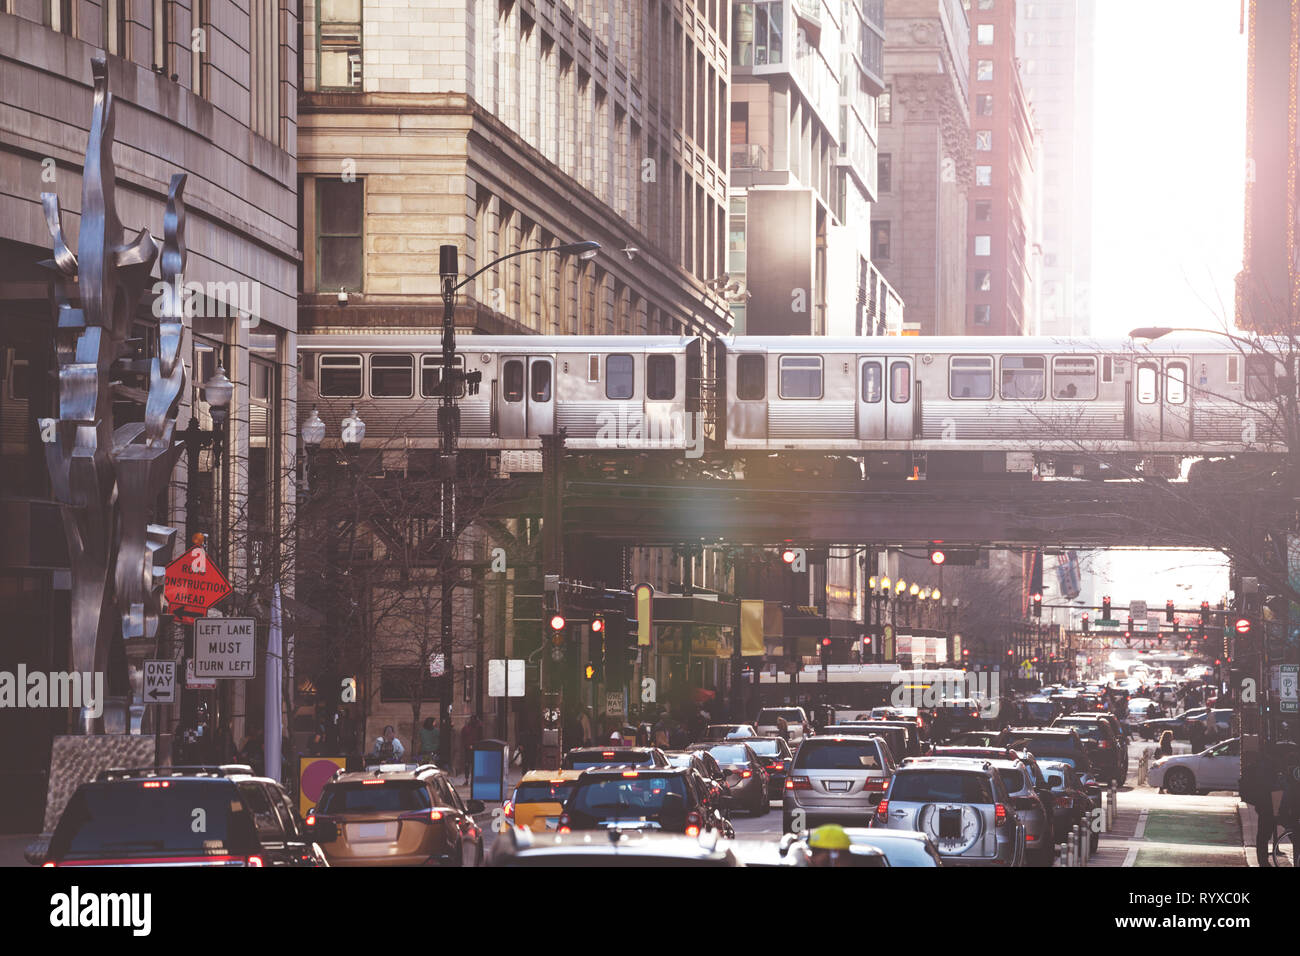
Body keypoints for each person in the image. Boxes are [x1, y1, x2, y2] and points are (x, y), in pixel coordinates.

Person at [1240, 744, 1298, 866]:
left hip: (1265, 805)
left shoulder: (1265, 764)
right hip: (1273, 804)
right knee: (1290, 829)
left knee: (1264, 835)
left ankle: (1263, 861)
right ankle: (1264, 861)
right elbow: (1277, 787)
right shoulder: (1274, 766)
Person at [461, 714, 483, 784]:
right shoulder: (478, 727)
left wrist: (467, 745)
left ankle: (467, 779)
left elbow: (463, 737)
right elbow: (480, 737)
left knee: (467, 764)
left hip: (468, 748)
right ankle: (472, 779)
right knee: (474, 764)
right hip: (474, 747)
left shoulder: (466, 727)